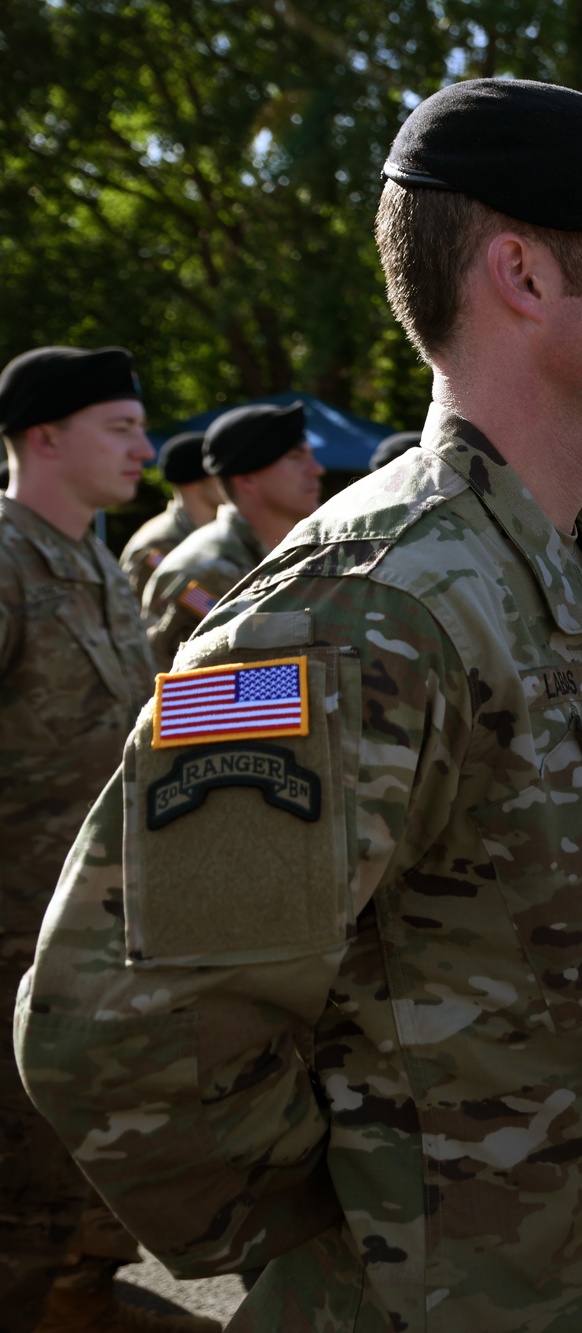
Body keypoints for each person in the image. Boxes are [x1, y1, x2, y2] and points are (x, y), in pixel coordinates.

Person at [16, 78, 582, 1331]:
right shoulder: (351, 613)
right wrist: (357, 1258)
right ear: (521, 274)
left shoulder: (562, 565)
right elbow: (125, 1034)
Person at [0, 346, 209, 1333]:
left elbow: (144, 712)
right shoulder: (4, 560)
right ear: (44, 437)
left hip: (94, 921)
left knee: (84, 1151)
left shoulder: (91, 554)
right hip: (14, 929)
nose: (146, 447)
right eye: (120, 428)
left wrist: (284, 691)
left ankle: (76, 1299)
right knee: (17, 1176)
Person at [140, 401, 323, 659]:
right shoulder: (201, 571)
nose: (317, 469)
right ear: (246, 479)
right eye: (295, 457)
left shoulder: (307, 551)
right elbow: (167, 683)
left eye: (310, 456)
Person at [118, 430, 224, 599]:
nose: (230, 480)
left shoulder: (219, 532)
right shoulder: (158, 544)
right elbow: (138, 613)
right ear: (192, 481)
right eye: (219, 474)